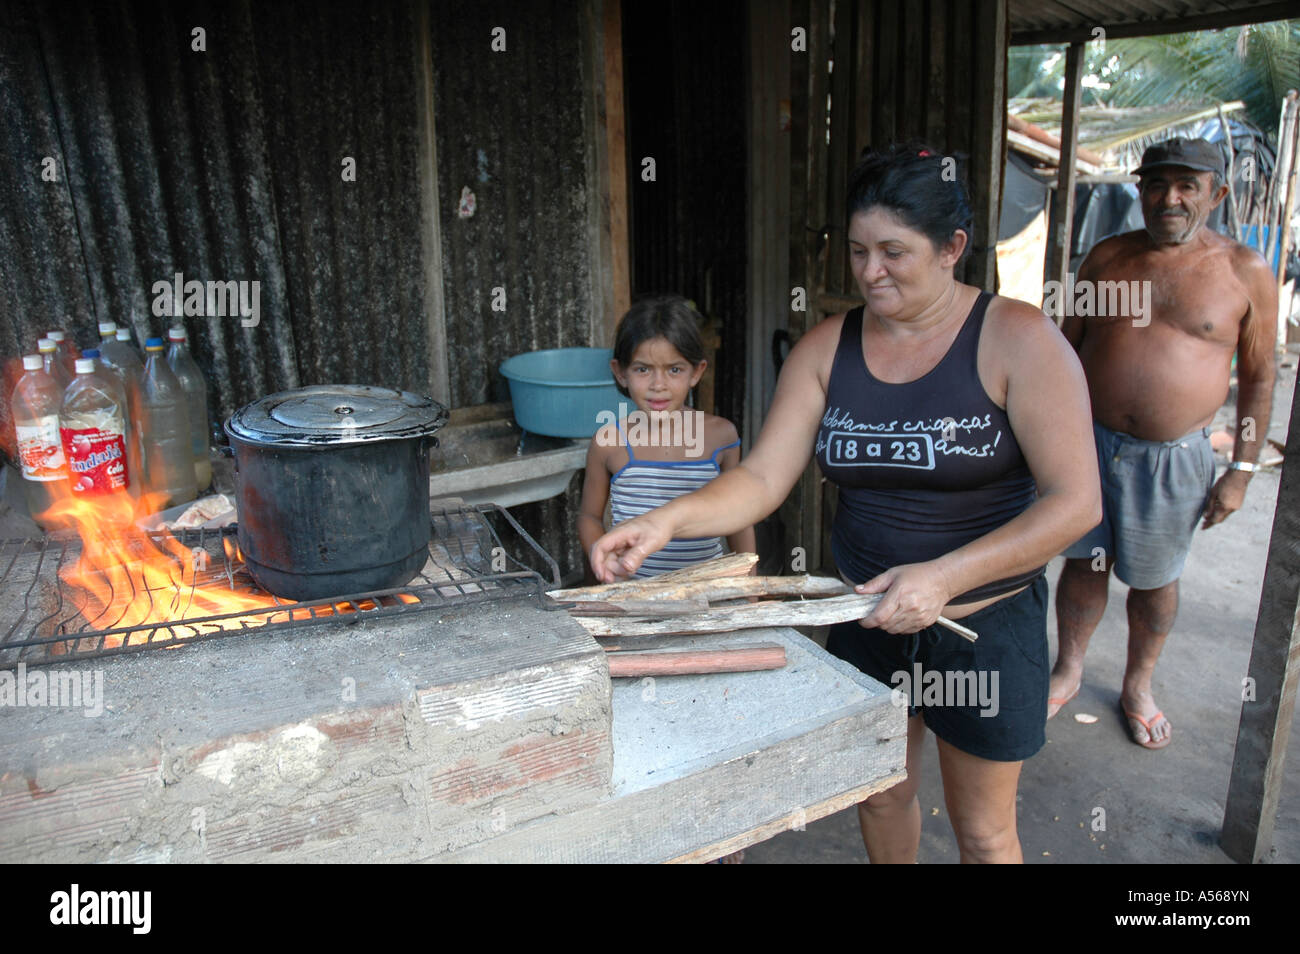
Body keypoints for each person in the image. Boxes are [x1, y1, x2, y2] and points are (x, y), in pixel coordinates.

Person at [590, 145, 1100, 863]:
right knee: (880, 790)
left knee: (983, 833)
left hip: (984, 626)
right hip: (864, 614)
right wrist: (665, 520)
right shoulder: (829, 348)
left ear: (953, 247)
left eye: (894, 252)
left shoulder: (1020, 339)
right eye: (859, 250)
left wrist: (946, 576)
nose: (868, 272)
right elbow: (764, 478)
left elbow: (1075, 504)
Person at [1048, 137, 1277, 749]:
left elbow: (1260, 376)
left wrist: (1242, 470)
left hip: (1174, 460)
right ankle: (1067, 671)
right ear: (1139, 190)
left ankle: (1138, 686)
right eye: (1155, 184)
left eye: (1186, 186)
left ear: (1217, 194)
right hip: (1089, 443)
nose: (1168, 198)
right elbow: (1065, 347)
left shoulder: (1244, 271)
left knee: (1154, 580)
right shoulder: (1107, 257)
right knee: (1083, 561)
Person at [578, 294, 756, 579]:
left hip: (709, 590)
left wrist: (750, 588)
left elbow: (739, 518)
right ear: (620, 373)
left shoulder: (721, 437)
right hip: (634, 593)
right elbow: (588, 516)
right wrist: (603, 559)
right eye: (642, 369)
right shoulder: (609, 442)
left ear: (696, 372)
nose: (658, 385)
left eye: (674, 369)